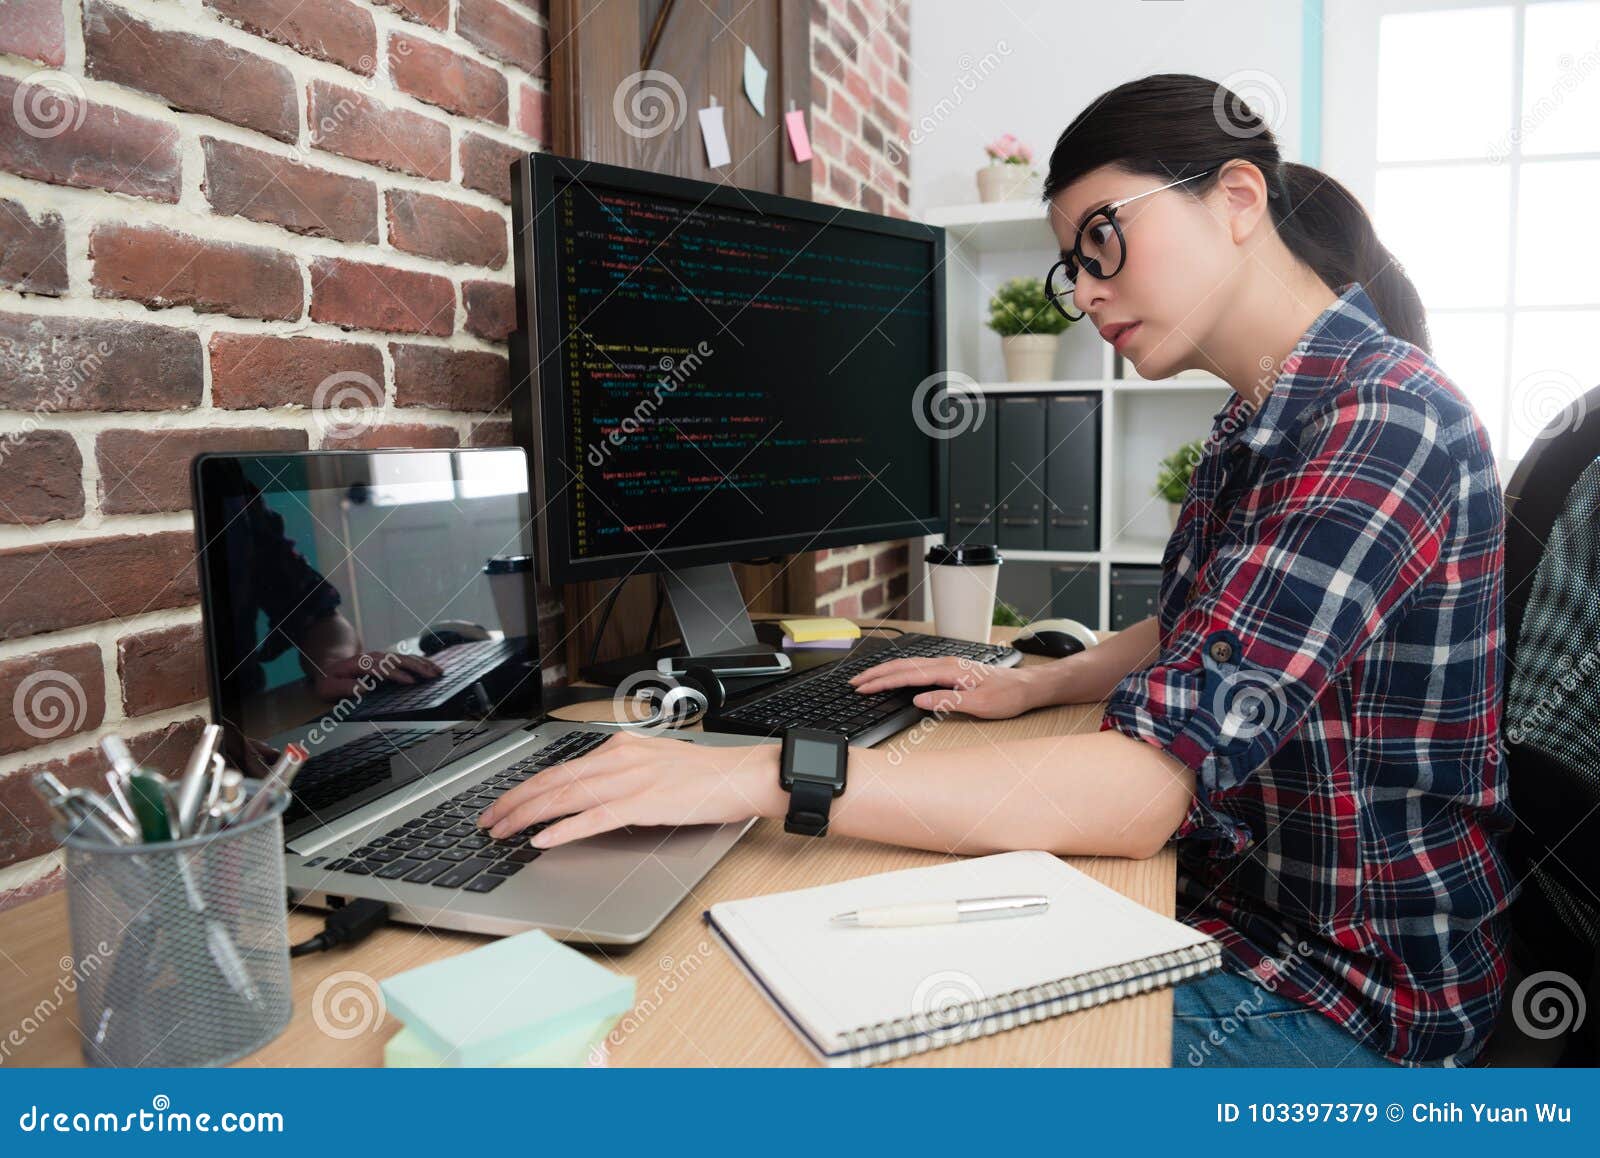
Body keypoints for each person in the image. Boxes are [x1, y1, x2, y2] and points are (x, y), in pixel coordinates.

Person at [476, 74, 1514, 1069]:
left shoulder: (1380, 421)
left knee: (814, 1048)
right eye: (1073, 267)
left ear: (1237, 198)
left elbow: (1136, 799)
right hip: (1228, 910)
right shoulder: (1267, 414)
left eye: (1103, 239)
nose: (1087, 294)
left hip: (1342, 994)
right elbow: (1214, 619)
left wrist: (760, 774)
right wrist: (1037, 683)